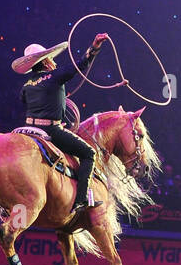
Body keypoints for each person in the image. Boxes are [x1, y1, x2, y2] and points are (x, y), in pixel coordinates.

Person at [14, 34, 112, 214]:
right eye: (50, 59)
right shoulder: (54, 76)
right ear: (45, 62)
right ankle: (81, 200)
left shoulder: (27, 85)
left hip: (28, 129)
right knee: (89, 153)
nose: (53, 61)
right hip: (50, 129)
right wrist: (95, 46)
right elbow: (81, 64)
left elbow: (26, 101)